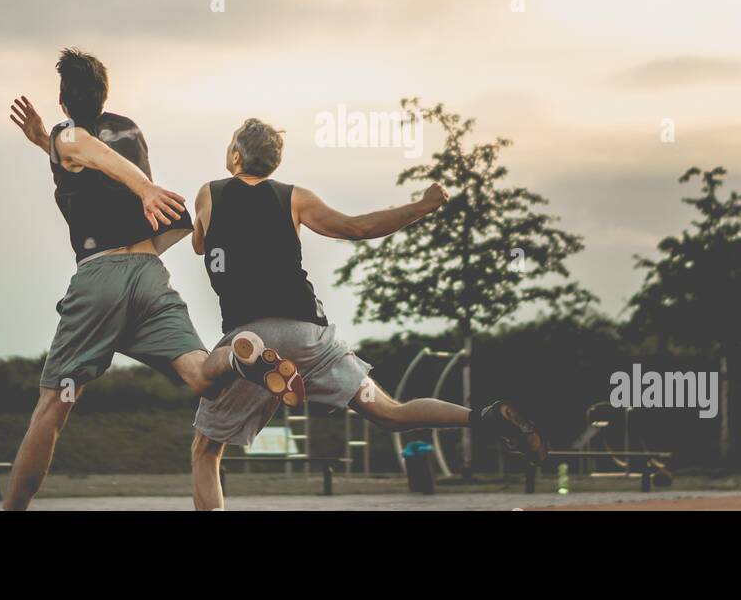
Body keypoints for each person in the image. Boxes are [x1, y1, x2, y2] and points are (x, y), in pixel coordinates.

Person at [187, 118, 546, 510]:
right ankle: (487, 417)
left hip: (252, 341)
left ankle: (253, 363)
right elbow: (357, 228)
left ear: (235, 156)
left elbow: (200, 246)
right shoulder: (295, 198)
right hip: (309, 336)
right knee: (391, 412)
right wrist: (422, 206)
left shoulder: (209, 193)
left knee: (206, 450)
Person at [3, 51, 300, 510]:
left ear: (63, 101)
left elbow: (91, 154)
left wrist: (142, 188)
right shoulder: (128, 129)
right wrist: (44, 140)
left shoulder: (72, 135)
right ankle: (242, 360)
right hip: (149, 277)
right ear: (105, 95)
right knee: (202, 375)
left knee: (53, 406)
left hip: (100, 278)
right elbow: (90, 158)